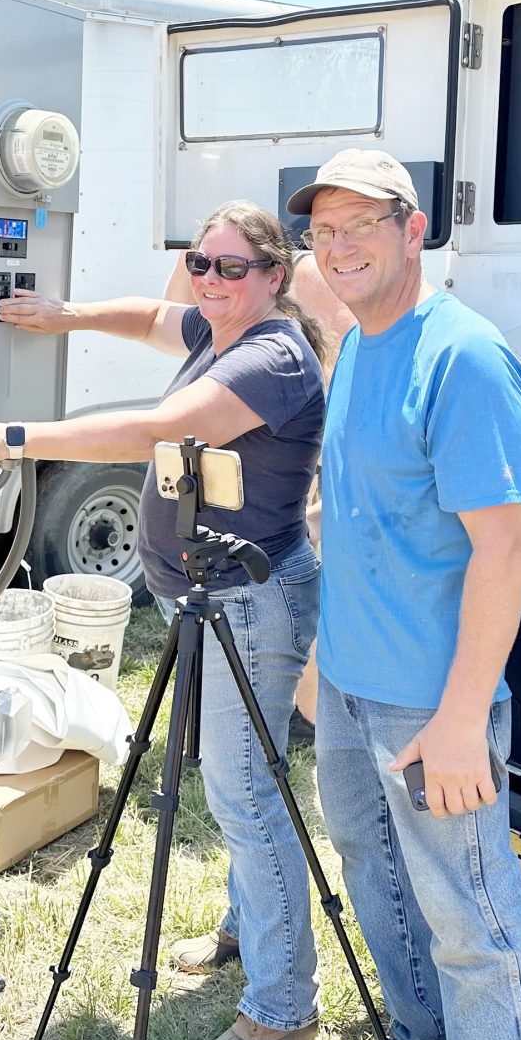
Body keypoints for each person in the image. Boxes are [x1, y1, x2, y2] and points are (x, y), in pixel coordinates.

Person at [0, 201, 327, 1040]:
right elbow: (148, 315)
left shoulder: (272, 355)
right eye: (201, 263)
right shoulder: (220, 328)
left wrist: (8, 437)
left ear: (275, 277)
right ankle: (249, 928)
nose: (210, 282)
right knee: (233, 783)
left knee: (245, 794)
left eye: (232, 269)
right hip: (206, 600)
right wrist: (64, 314)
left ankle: (284, 1009)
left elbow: (153, 430)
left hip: (250, 603)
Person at [286, 151, 521, 1040]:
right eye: (322, 228)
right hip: (359, 689)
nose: (340, 244)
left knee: (477, 928)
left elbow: (504, 547)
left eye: (362, 222)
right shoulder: (362, 343)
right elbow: (358, 523)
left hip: (433, 711)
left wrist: (464, 716)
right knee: (377, 878)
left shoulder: (460, 355)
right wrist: (325, 657)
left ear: (412, 227)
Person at [163, 248, 356, 746]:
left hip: (322, 455)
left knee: (326, 577)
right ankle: (285, 714)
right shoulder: (268, 310)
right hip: (311, 452)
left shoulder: (295, 339)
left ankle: (305, 718)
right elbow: (170, 306)